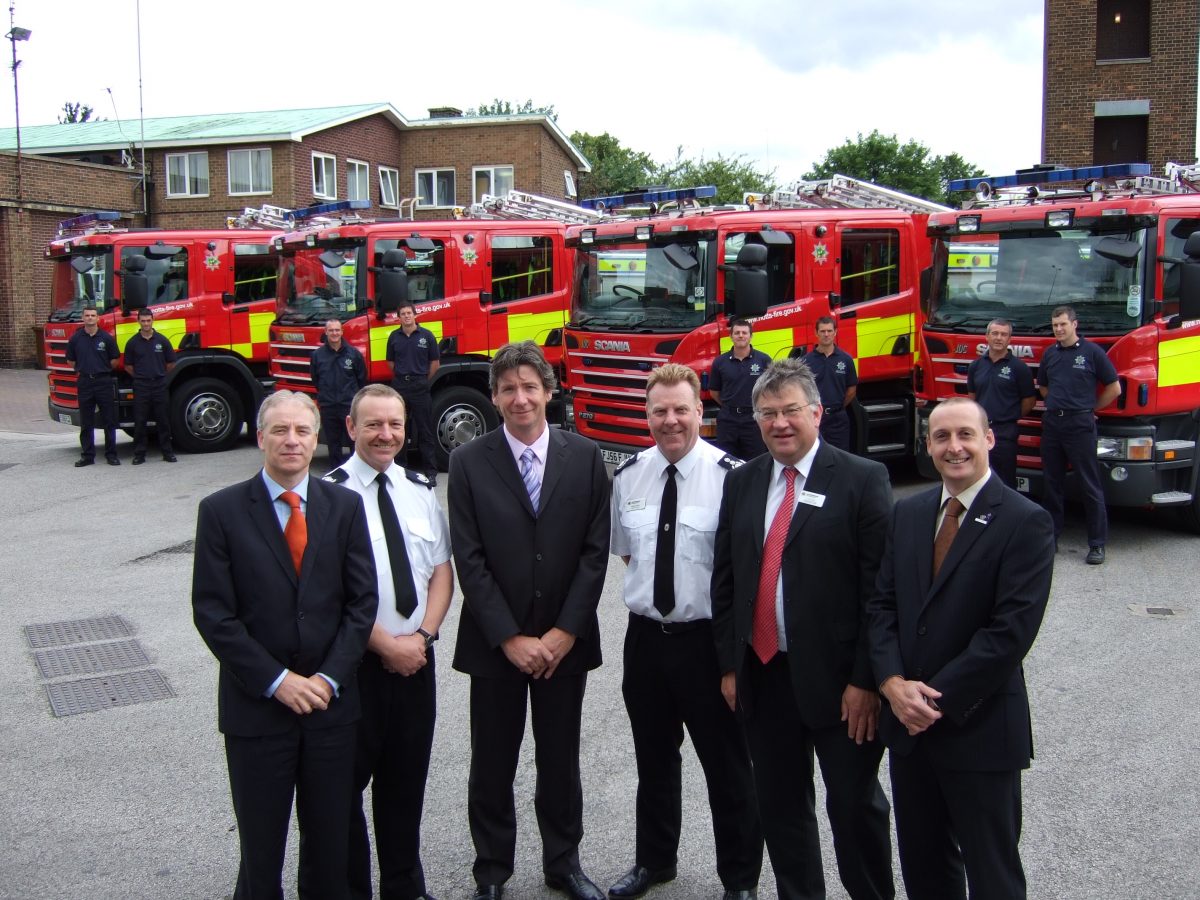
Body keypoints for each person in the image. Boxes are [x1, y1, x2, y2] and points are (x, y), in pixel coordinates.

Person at [712, 358, 894, 900]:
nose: (779, 423)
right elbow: (728, 580)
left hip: (842, 687)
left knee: (854, 806)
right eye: (767, 414)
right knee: (782, 809)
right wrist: (729, 665)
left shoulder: (862, 479)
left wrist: (868, 680)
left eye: (791, 410)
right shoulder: (743, 481)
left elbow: (880, 595)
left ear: (817, 411)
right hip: (765, 676)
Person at [191, 390, 378, 900]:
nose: (291, 441)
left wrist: (327, 677)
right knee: (261, 848)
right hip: (257, 713)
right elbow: (213, 613)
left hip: (329, 709)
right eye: (279, 430)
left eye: (301, 431)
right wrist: (277, 681)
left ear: (317, 439)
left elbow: (362, 604)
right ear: (260, 438)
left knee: (329, 845)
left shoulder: (344, 507)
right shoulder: (222, 512)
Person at [867, 397, 1053, 900]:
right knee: (926, 872)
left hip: (979, 730)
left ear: (988, 439)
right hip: (911, 733)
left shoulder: (1025, 521)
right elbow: (882, 606)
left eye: (966, 435)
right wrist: (890, 684)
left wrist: (928, 701)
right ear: (927, 444)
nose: (955, 447)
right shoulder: (908, 514)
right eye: (942, 436)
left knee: (993, 875)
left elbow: (1008, 636)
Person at [448, 341, 610, 900]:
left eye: (530, 386)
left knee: (560, 761)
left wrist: (565, 631)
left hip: (566, 644)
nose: (521, 398)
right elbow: (468, 558)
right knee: (492, 761)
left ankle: (563, 863)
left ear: (549, 391)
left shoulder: (585, 457)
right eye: (509, 388)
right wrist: (510, 637)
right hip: (496, 646)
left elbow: (595, 552)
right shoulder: (468, 462)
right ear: (494, 397)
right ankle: (492, 869)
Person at [608, 363, 763, 900]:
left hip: (709, 643)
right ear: (646, 415)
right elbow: (630, 555)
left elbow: (746, 573)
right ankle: (655, 862)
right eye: (659, 411)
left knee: (727, 766)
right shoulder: (629, 476)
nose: (670, 421)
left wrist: (733, 662)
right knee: (653, 759)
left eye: (681, 409)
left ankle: (740, 880)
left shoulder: (733, 478)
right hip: (646, 639)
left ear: (702, 411)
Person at [324, 384, 451, 900]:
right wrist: (386, 646)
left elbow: (441, 573)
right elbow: (329, 593)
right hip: (358, 666)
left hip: (418, 660)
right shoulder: (330, 495)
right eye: (373, 424)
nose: (386, 434)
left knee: (405, 784)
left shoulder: (420, 489)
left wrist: (421, 637)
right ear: (351, 428)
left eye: (395, 424)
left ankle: (405, 887)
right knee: (345, 788)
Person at [1037, 306, 1121, 565]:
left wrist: (1090, 408)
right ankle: (1052, 538)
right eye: (1055, 326)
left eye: (1063, 324)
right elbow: (1043, 387)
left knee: (1089, 485)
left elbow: (1114, 388)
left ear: (1075, 324)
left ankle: (1097, 544)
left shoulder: (1092, 352)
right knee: (1052, 484)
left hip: (1080, 425)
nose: (1059, 330)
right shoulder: (1049, 354)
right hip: (1053, 424)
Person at [966, 318, 1037, 489]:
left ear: (1009, 339)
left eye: (1004, 334)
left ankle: (1007, 516)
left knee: (1005, 481)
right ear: (987, 336)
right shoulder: (975, 366)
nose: (999, 338)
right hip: (980, 431)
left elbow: (1030, 401)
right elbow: (972, 398)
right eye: (995, 333)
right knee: (978, 478)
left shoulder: (1019, 368)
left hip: (1005, 432)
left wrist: (1008, 415)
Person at [386, 302, 440, 482]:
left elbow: (434, 363)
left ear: (415, 315)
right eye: (403, 314)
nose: (407, 316)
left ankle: (430, 472)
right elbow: (391, 363)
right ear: (399, 317)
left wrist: (423, 380)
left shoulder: (427, 336)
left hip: (420, 387)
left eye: (409, 313)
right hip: (400, 387)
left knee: (425, 430)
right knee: (400, 429)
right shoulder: (394, 337)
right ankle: (401, 470)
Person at [65, 305, 120, 466]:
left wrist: (103, 370)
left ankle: (111, 455)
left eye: (93, 315)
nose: (90, 318)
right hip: (85, 382)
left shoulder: (106, 338)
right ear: (83, 318)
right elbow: (70, 360)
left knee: (109, 421)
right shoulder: (76, 338)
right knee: (86, 422)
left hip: (103, 382)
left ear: (98, 318)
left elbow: (115, 359)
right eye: (87, 315)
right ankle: (87, 456)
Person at [709, 318, 771, 460]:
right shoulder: (720, 362)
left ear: (751, 336)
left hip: (754, 420)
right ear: (731, 336)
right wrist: (731, 406)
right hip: (728, 421)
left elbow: (770, 390)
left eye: (744, 332)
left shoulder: (764, 360)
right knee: (726, 461)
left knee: (756, 462)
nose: (741, 336)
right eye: (737, 333)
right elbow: (714, 392)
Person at [311, 319, 367, 468]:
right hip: (328, 406)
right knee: (333, 443)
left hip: (348, 406)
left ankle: (356, 471)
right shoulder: (317, 356)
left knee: (353, 441)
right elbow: (315, 380)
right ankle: (336, 473)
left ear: (342, 332)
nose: (334, 333)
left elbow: (361, 379)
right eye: (331, 330)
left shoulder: (353, 354)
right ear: (326, 332)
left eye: (337, 330)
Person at [123, 309, 177, 464]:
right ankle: (139, 454)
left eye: (148, 320)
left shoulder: (162, 341)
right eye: (143, 321)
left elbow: (171, 362)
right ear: (138, 321)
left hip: (159, 385)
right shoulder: (132, 343)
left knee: (163, 420)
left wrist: (159, 373)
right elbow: (128, 366)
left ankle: (167, 452)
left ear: (153, 320)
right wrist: (141, 376)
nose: (146, 323)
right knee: (140, 421)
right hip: (141, 386)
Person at [803, 316, 859, 452]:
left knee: (839, 458)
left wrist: (837, 407)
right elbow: (801, 389)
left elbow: (851, 389)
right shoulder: (805, 361)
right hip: (813, 419)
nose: (826, 334)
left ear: (835, 332)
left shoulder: (846, 360)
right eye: (822, 331)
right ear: (816, 333)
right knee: (813, 457)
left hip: (837, 419)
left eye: (829, 331)